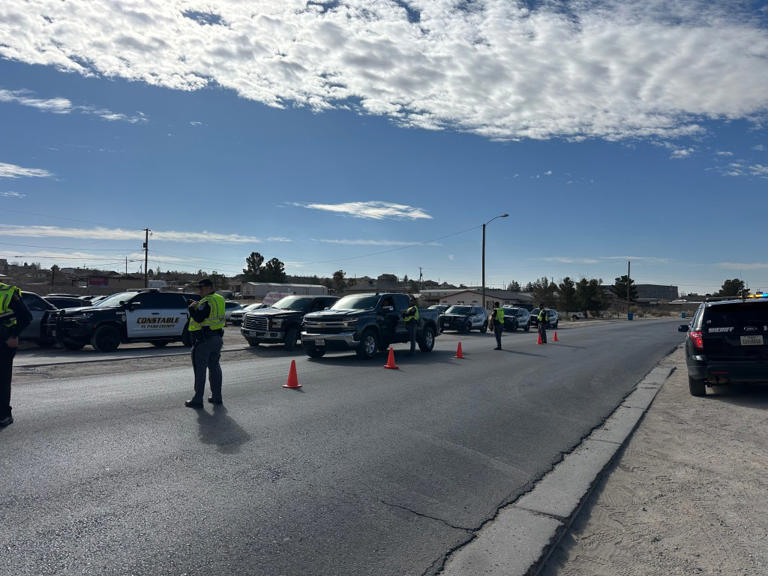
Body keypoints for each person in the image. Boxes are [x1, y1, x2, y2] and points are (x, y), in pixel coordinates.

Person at [185, 279, 226, 409]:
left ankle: (198, 399)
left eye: (201, 288)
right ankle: (217, 396)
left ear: (209, 287)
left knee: (200, 370)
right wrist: (197, 305)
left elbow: (199, 318)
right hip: (217, 338)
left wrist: (191, 308)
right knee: (214, 367)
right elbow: (210, 314)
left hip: (204, 340)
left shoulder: (207, 301)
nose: (200, 291)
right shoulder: (219, 299)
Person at [0, 282, 32, 427]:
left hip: (4, 342)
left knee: (2, 380)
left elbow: (26, 317)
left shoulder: (6, 292)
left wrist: (13, 336)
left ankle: (4, 415)